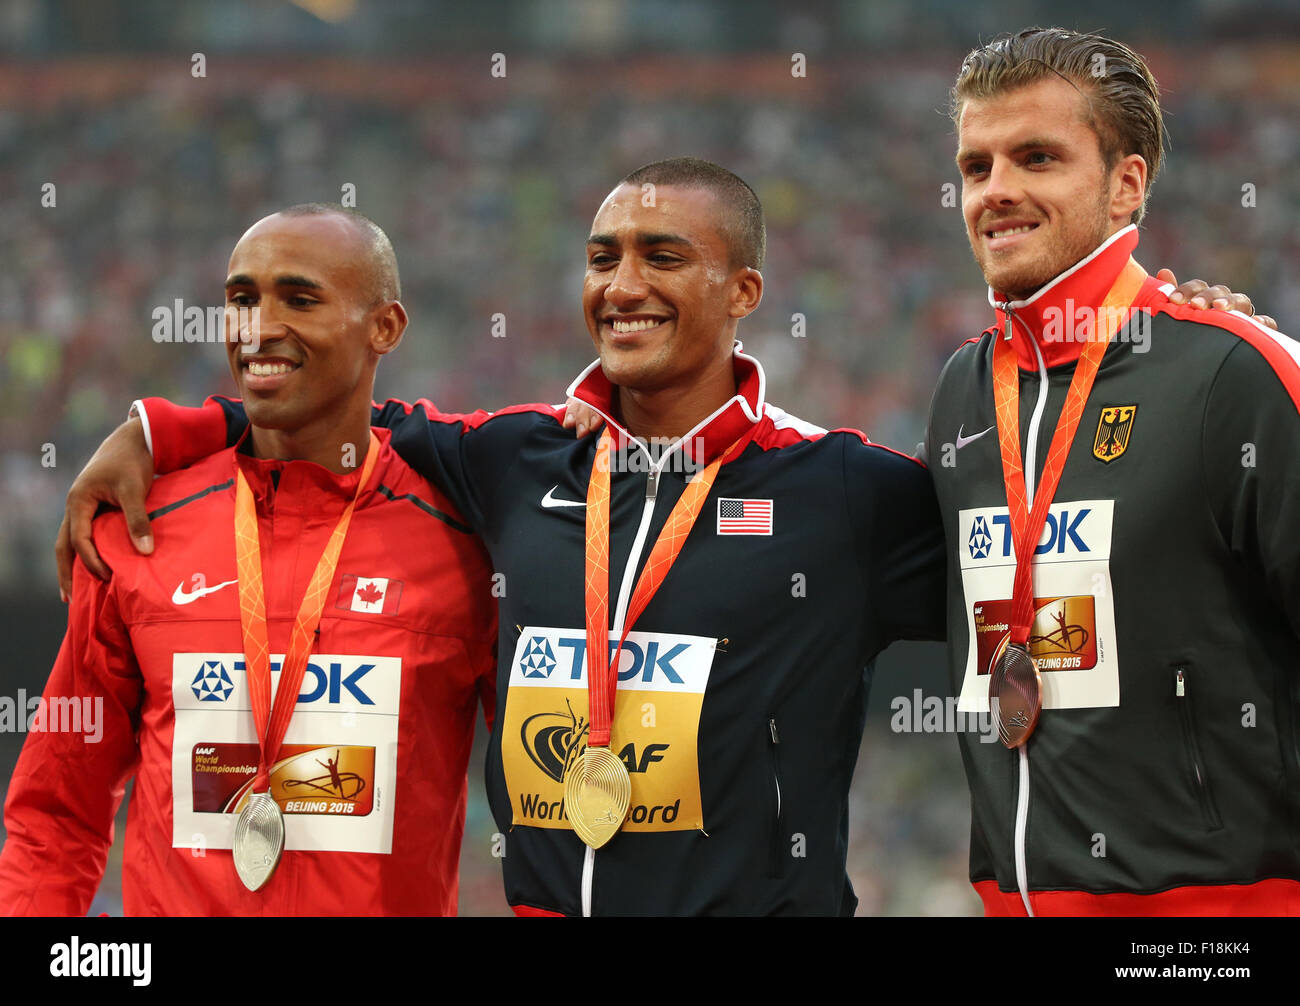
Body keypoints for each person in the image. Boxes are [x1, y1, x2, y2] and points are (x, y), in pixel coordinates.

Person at [57, 161, 1259, 916]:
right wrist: (169, 422)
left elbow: (1042, 536)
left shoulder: (840, 491)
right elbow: (334, 405)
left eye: (661, 256)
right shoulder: (511, 457)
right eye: (602, 258)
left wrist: (1175, 332)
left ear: (742, 293)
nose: (621, 283)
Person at [0, 205, 498, 915]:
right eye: (242, 300)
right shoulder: (136, 531)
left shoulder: (464, 546)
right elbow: (55, 813)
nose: (259, 327)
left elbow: (546, 815)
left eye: (300, 299)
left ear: (384, 326)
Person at [925, 27, 1300, 915]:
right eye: (976, 167)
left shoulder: (1233, 373)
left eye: (1037, 158)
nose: (997, 191)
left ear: (1127, 183)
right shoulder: (966, 390)